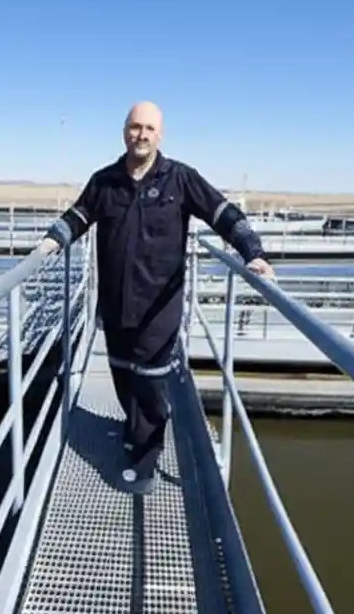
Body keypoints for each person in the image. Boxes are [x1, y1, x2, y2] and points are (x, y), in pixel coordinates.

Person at [36, 101, 274, 494]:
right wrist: (51, 242)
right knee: (122, 371)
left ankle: (144, 459)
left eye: (149, 128)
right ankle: (134, 430)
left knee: (148, 382)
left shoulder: (180, 179)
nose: (141, 135)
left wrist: (253, 252)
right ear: (124, 131)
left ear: (159, 135)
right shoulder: (104, 181)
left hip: (158, 306)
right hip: (115, 302)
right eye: (135, 127)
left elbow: (224, 214)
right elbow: (78, 216)